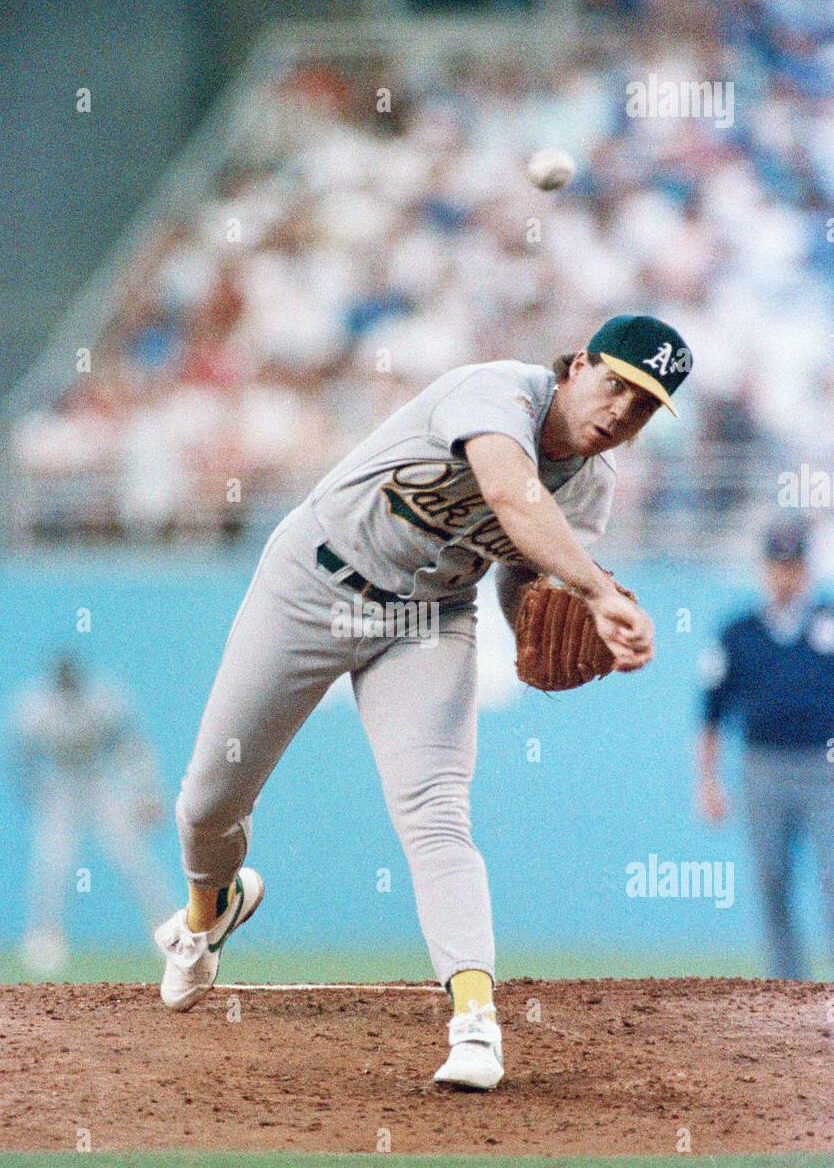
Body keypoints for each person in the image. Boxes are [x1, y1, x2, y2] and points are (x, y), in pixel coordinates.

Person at [155, 313, 692, 1089]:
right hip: (309, 587)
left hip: (427, 618)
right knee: (209, 800)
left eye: (644, 407)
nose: (621, 413)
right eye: (616, 385)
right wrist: (598, 589)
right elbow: (510, 494)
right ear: (578, 365)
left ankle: (474, 1022)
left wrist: (542, 632)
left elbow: (518, 570)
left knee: (436, 810)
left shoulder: (591, 488)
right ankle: (210, 913)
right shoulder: (495, 391)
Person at [696, 520, 834, 980]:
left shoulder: (828, 622)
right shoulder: (738, 633)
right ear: (764, 568)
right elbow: (712, 713)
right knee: (772, 881)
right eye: (777, 565)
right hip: (762, 768)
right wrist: (708, 780)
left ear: (805, 569)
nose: (785, 575)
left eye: (793, 565)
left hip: (824, 765)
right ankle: (789, 988)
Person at [9, 653, 174, 973]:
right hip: (61, 785)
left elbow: (130, 745)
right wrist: (36, 792)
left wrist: (147, 791)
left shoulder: (103, 698)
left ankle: (169, 935)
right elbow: (20, 758)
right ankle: (45, 942)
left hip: (100, 781)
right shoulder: (34, 706)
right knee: (53, 866)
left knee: (133, 859)